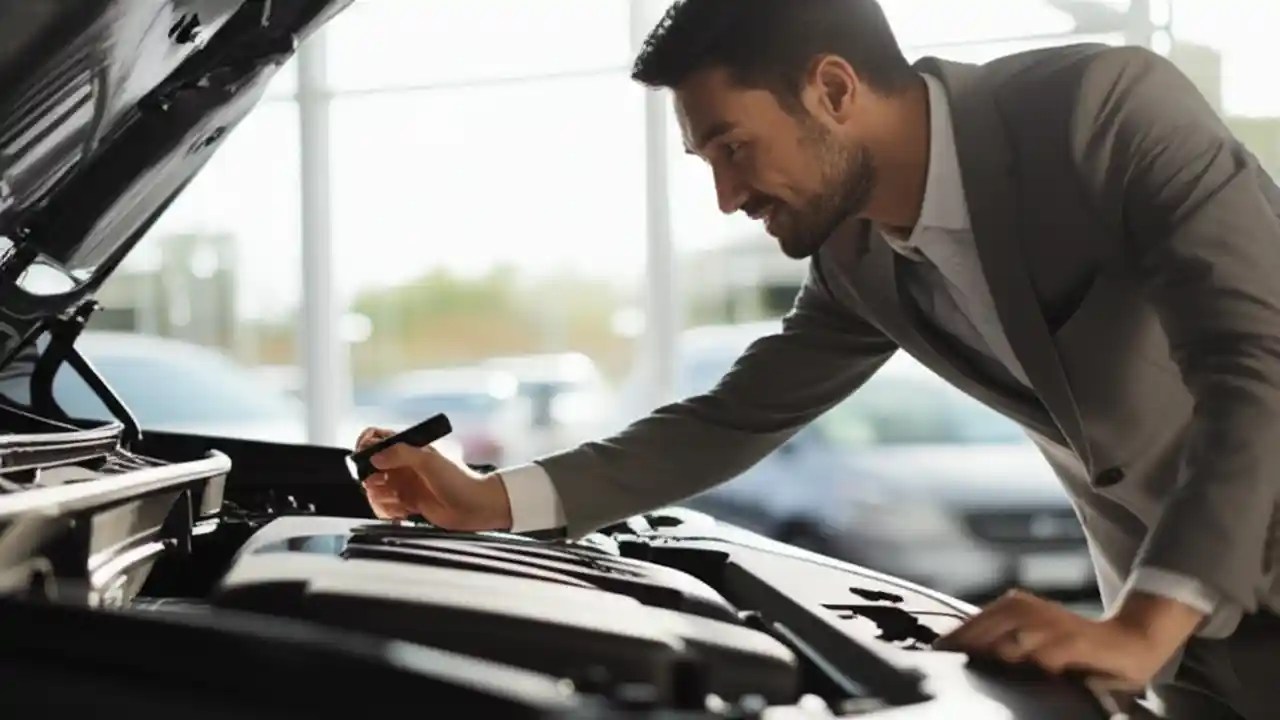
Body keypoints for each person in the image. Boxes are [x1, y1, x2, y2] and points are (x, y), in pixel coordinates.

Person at [356, 1, 1280, 716]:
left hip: (1171, 607)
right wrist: (493, 499)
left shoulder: (1104, 110)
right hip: (1181, 650)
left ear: (834, 89)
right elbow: (730, 418)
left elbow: (1257, 361)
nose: (724, 197)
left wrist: (1144, 623)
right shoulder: (857, 257)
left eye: (733, 146)